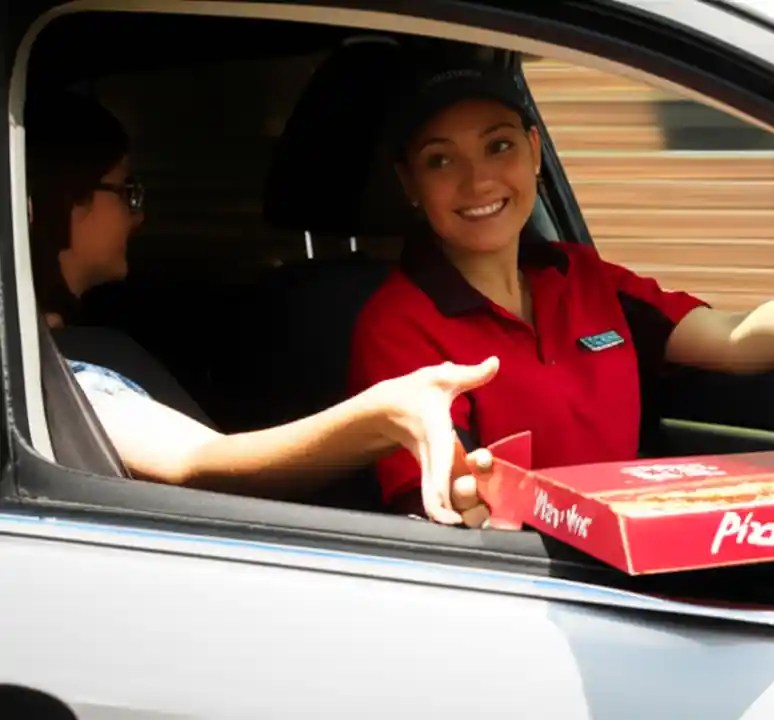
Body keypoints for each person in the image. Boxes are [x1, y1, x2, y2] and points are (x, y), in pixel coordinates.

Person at [347, 65, 774, 519]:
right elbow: (450, 507)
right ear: (409, 184)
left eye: (498, 147)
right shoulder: (397, 325)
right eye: (441, 160)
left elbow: (736, 338)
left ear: (535, 151)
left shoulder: (581, 276)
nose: (478, 181)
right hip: (536, 582)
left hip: (633, 558)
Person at [25, 89, 493, 527]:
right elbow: (195, 460)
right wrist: (384, 415)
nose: (139, 214)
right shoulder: (51, 374)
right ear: (62, 197)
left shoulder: (78, 349)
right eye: (126, 190)